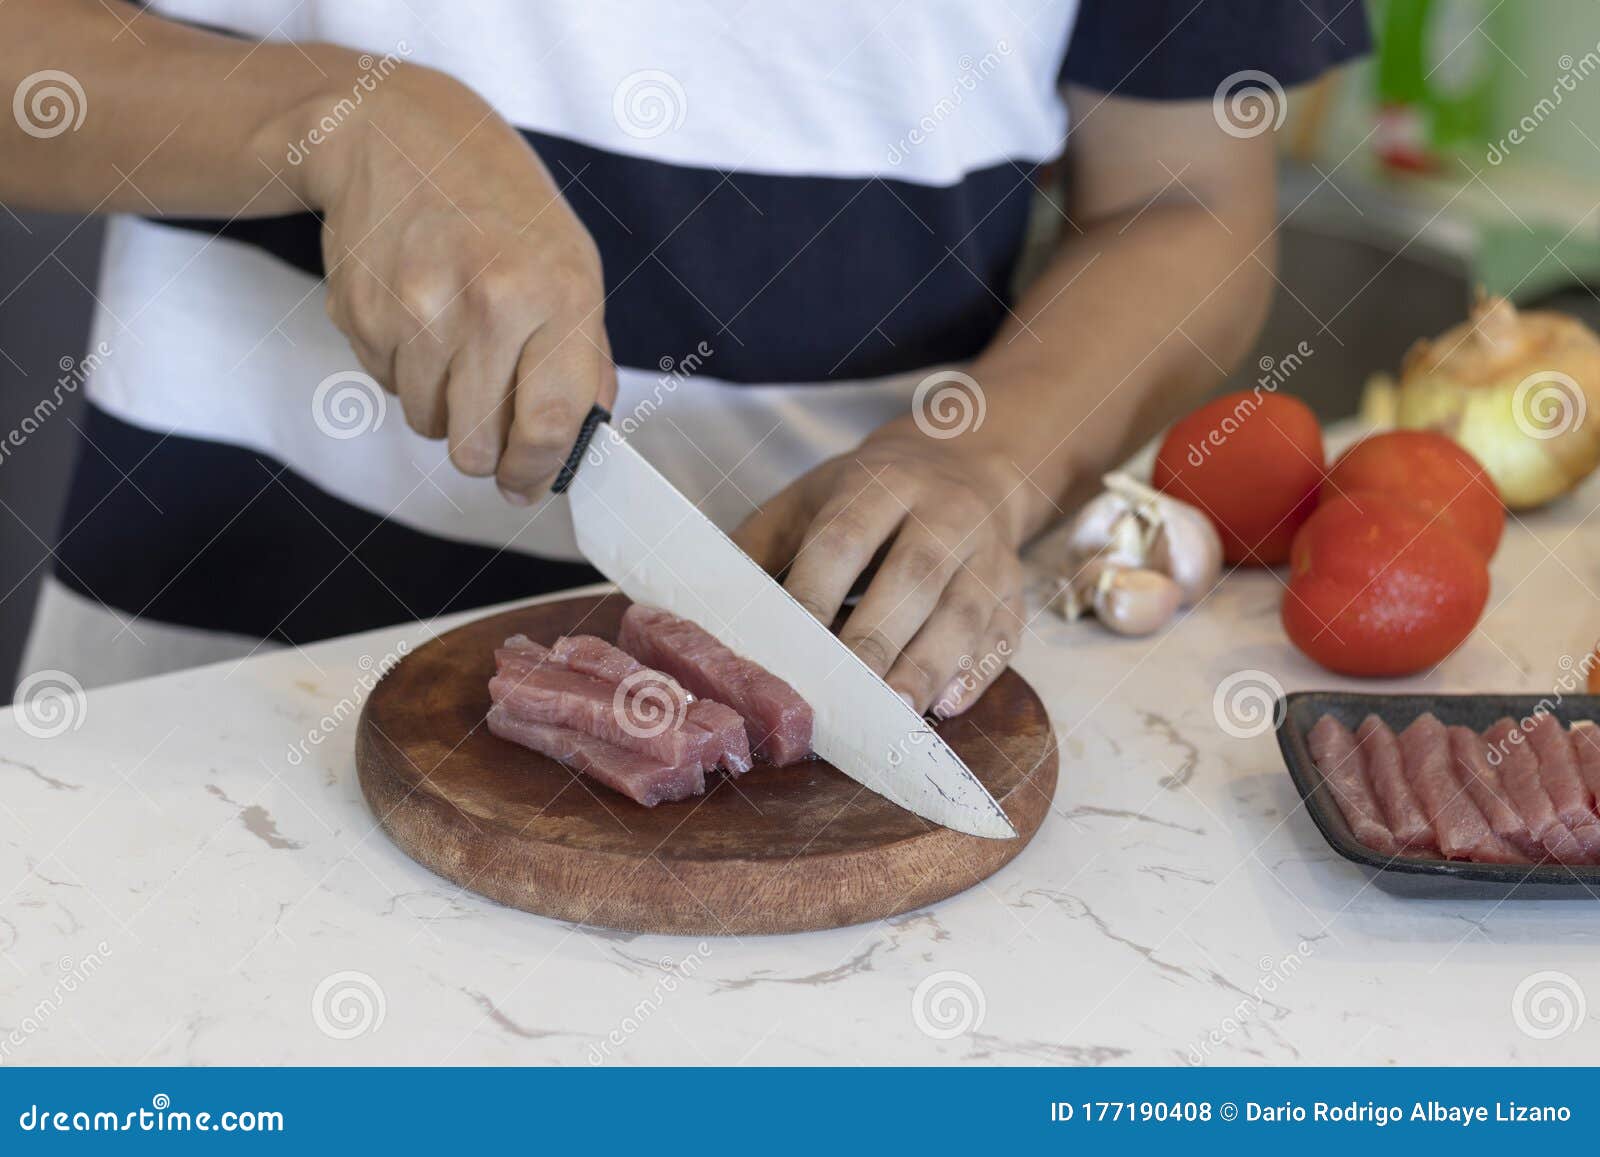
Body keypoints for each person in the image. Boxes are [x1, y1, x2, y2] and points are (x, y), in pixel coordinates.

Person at [2, 0, 1367, 708]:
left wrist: (984, 455)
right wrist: (330, 118)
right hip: (193, 714)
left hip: (820, 745)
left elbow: (1187, 207)